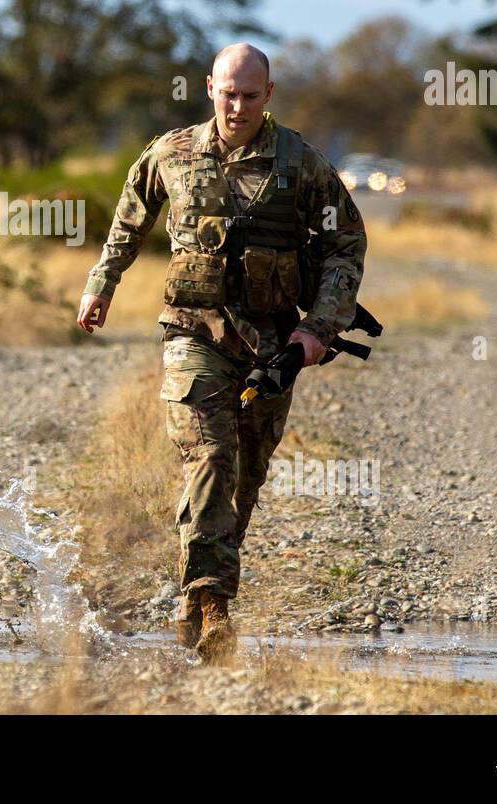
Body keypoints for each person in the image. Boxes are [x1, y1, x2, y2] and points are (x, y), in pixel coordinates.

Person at [76, 43, 367, 663]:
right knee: (209, 455)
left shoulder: (303, 164)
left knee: (245, 480)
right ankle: (213, 607)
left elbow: (347, 247)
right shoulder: (171, 153)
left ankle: (193, 596)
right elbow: (130, 219)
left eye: (250, 96)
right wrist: (102, 283)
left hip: (270, 346)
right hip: (192, 333)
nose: (236, 107)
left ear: (270, 96)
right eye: (227, 93)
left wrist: (313, 334)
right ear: (209, 87)